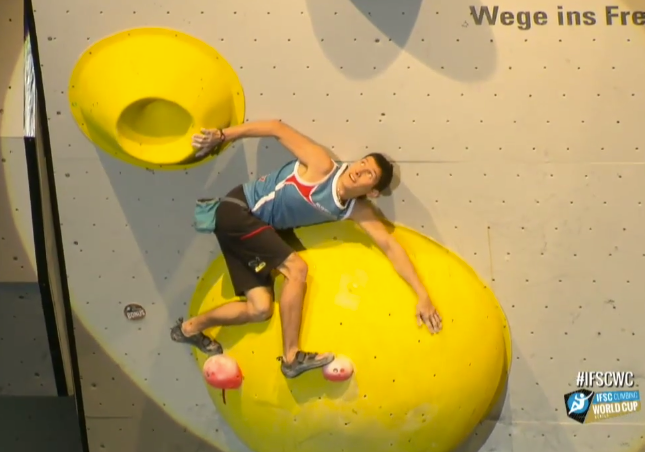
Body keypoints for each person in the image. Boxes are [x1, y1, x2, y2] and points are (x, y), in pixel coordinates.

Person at [170, 119, 442, 379]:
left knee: (260, 309)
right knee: (297, 269)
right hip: (239, 210)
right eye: (363, 162)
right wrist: (222, 135)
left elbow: (389, 246)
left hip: (250, 230)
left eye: (369, 173)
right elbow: (276, 128)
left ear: (372, 191)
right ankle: (291, 357)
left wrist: (422, 295)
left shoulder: (356, 208)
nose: (359, 169)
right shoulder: (322, 166)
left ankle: (189, 329)